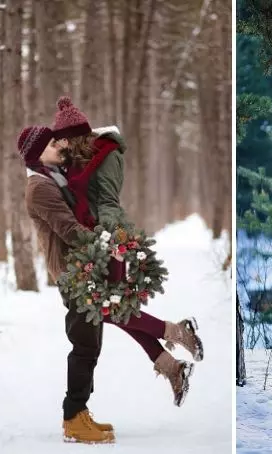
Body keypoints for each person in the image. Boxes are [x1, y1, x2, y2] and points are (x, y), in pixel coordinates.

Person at [50, 96, 204, 406]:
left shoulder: (106, 155)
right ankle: (174, 362)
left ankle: (176, 335)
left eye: (64, 140)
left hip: (107, 242)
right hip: (89, 246)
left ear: (77, 136)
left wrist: (116, 241)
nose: (61, 146)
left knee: (110, 310)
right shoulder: (77, 160)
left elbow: (108, 202)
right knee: (111, 311)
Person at [20, 125, 114, 444]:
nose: (59, 145)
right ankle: (73, 418)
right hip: (71, 271)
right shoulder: (40, 188)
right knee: (84, 343)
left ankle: (82, 411)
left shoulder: (53, 176)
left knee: (93, 342)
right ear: (37, 154)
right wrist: (105, 241)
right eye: (51, 143)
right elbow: (69, 230)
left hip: (82, 267)